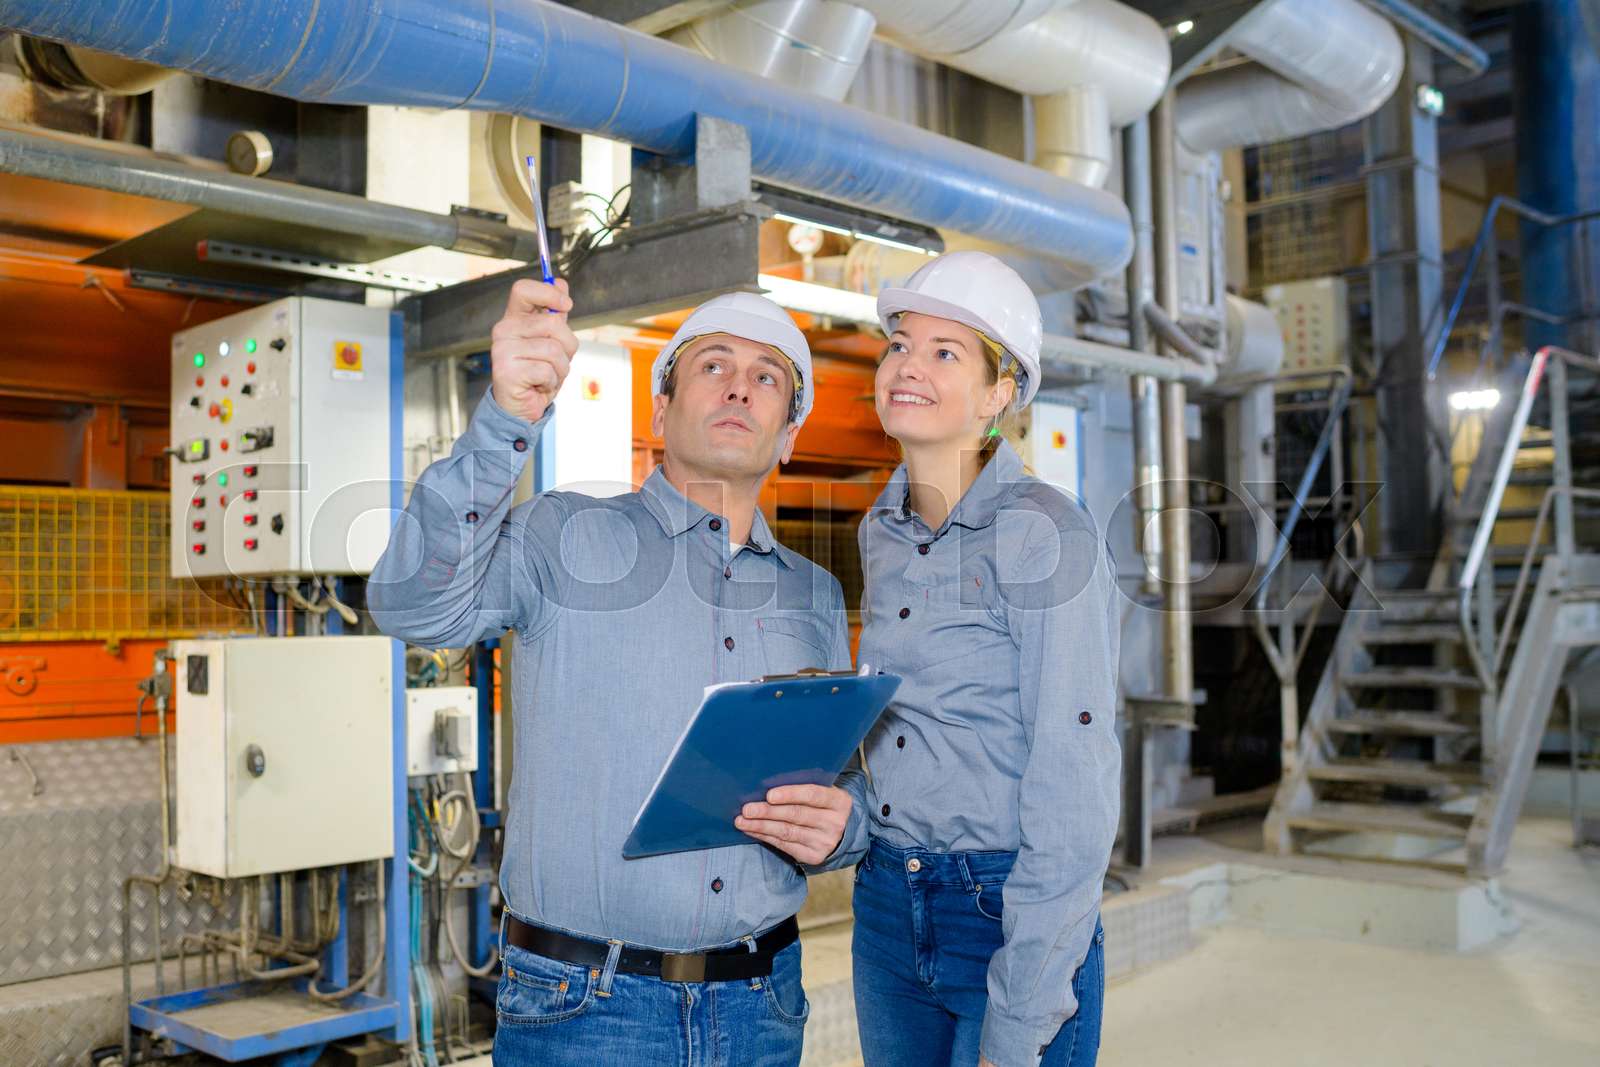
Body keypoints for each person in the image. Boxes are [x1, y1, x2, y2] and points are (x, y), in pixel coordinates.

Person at [368, 278, 859, 1067]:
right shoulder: (562, 534)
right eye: (713, 365)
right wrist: (506, 418)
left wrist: (844, 827)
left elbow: (842, 776)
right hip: (585, 1011)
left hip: (762, 1005)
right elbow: (412, 607)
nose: (740, 385)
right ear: (661, 410)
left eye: (768, 375)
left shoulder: (815, 595)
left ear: (790, 435)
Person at [740, 251, 1122, 1067]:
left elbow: (1074, 782)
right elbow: (900, 730)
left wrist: (1021, 1013)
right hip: (886, 905)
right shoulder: (881, 530)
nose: (908, 366)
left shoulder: (1045, 534)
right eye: (899, 345)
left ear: (998, 394)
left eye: (945, 352)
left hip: (1004, 907)